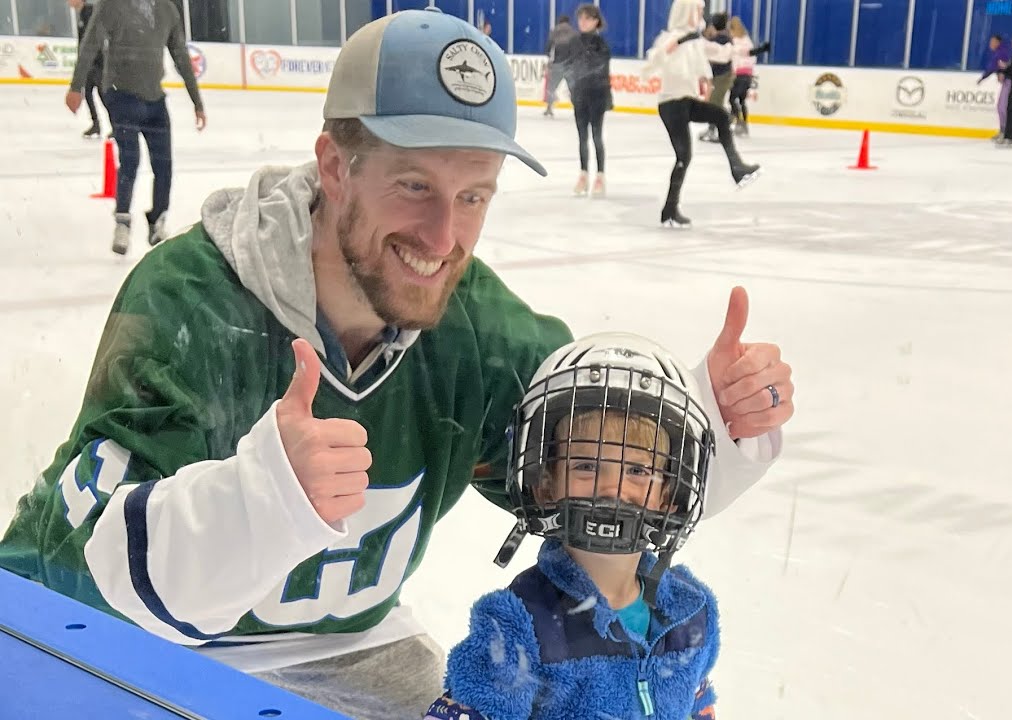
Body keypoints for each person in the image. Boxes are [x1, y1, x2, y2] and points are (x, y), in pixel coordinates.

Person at [0, 10, 793, 720]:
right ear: (337, 167)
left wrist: (715, 428)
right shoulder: (193, 299)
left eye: (474, 197)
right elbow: (87, 571)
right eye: (415, 185)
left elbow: (592, 478)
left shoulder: (476, 325)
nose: (444, 236)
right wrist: (264, 500)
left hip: (354, 651)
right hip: (95, 643)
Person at [424, 332, 721, 720]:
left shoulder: (690, 612)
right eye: (586, 465)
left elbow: (696, 702)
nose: (612, 488)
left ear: (670, 493)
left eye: (637, 470)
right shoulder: (521, 626)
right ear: (547, 484)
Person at [66, 0, 207, 255]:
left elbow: (181, 56)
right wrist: (76, 86)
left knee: (164, 165)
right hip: (122, 96)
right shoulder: (112, 5)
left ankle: (157, 219)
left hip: (155, 99)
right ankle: (122, 221)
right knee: (130, 160)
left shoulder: (167, 10)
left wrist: (197, 101)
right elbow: (90, 44)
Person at [642, 0, 761, 228]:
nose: (701, 15)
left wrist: (707, 78)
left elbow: (722, 53)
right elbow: (650, 66)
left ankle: (737, 168)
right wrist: (668, 49)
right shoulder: (670, 37)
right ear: (685, 12)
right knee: (683, 157)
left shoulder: (696, 41)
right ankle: (669, 209)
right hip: (671, 104)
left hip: (687, 102)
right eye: (697, 10)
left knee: (722, 116)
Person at [563, 4, 612, 197]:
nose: (583, 22)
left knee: (596, 136)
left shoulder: (601, 45)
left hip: (597, 96)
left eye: (588, 18)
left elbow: (601, 70)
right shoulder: (573, 42)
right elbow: (567, 66)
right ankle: (583, 174)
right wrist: (572, 86)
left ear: (596, 21)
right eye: (581, 18)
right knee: (582, 136)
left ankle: (600, 176)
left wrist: (582, 78)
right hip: (580, 96)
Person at [68, 0, 107, 140]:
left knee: (102, 94)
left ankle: (114, 124)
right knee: (89, 94)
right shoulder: (82, 13)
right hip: (90, 63)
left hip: (97, 62)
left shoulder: (90, 12)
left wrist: (93, 61)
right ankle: (96, 123)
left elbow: (94, 40)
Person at [727, 16, 768, 137]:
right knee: (742, 100)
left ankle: (739, 123)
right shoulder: (747, 40)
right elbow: (752, 57)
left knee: (732, 99)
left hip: (739, 74)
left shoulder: (734, 42)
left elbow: (734, 57)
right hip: (748, 74)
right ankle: (744, 125)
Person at [697, 13, 733, 143]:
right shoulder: (721, 38)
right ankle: (715, 128)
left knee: (715, 104)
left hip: (723, 75)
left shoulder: (722, 39)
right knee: (715, 103)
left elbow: (708, 49)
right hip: (720, 75)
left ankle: (721, 127)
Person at [978, 34, 1012, 141]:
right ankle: (1003, 131)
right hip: (1007, 82)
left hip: (1009, 82)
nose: (990, 44)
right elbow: (995, 66)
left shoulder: (1002, 53)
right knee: (1001, 107)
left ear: (998, 42)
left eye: (992, 42)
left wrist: (1001, 73)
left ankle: (1006, 132)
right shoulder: (1000, 52)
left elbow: (998, 66)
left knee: (1002, 107)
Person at [543, 15, 577, 118]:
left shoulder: (555, 31)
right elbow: (577, 48)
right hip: (569, 65)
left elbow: (548, 46)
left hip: (557, 64)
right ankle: (578, 109)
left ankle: (549, 108)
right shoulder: (573, 32)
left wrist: (549, 56)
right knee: (573, 89)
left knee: (551, 87)